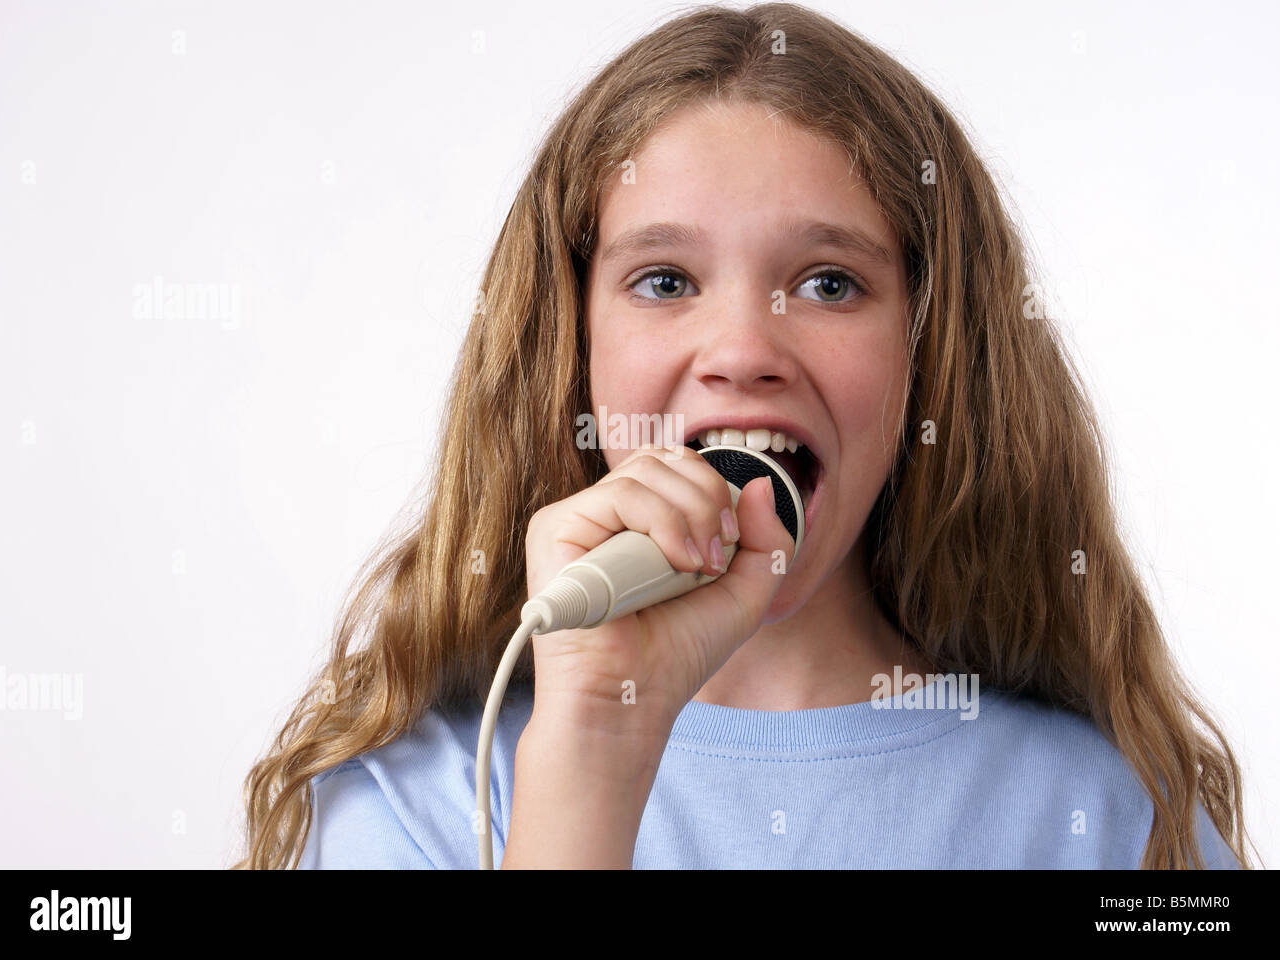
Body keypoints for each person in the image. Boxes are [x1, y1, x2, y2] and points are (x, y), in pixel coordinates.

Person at [234, 2, 1256, 870]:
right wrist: (592, 749)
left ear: (930, 352)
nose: (741, 348)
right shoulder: (409, 811)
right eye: (664, 282)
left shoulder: (1118, 819)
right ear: (569, 349)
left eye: (827, 283)